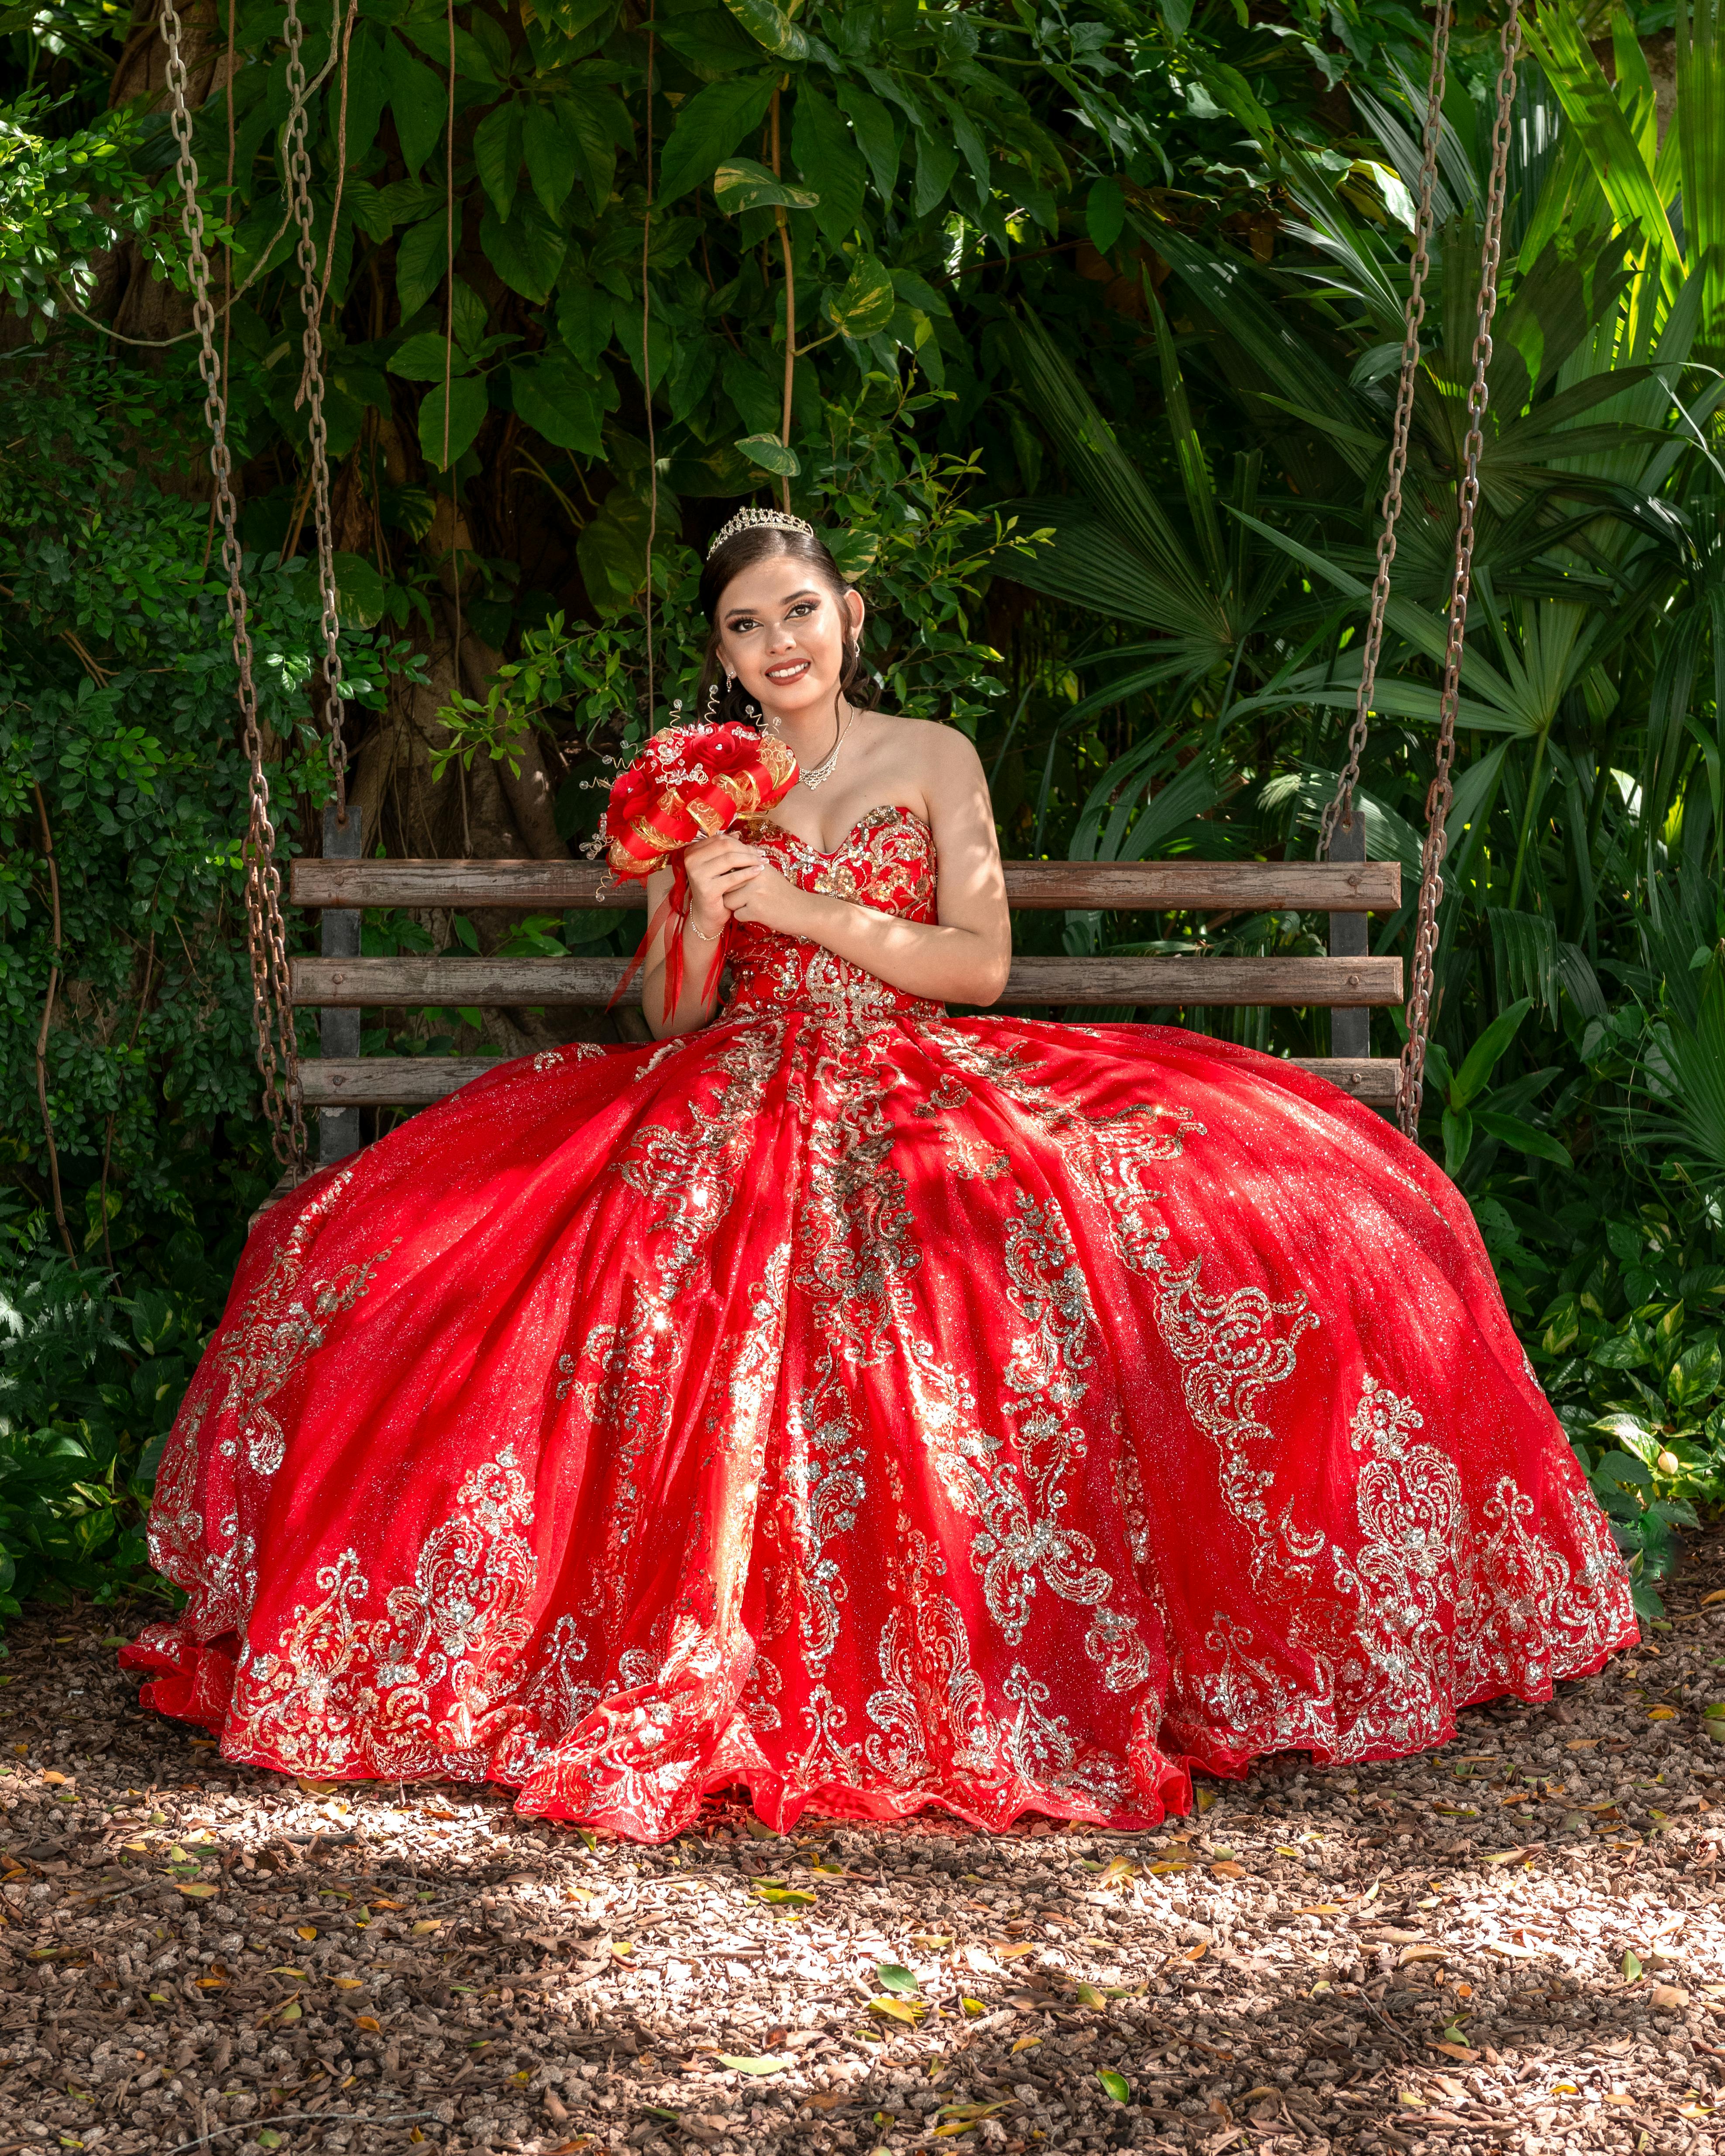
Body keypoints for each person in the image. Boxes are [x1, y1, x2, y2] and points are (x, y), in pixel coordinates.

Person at [121, 508, 1635, 1840]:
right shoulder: (696, 776)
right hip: (735, 1078)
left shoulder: (933, 758)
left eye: (799, 608)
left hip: (916, 1068)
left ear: (849, 616)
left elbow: (979, 966)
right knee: (504, 1265)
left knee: (1173, 1227)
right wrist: (706, 906)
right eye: (744, 623)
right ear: (719, 653)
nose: (779, 640)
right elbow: (667, 1016)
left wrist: (796, 897)